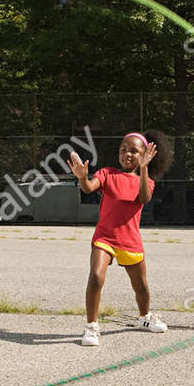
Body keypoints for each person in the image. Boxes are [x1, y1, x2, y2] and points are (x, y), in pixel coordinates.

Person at [68, 130, 172, 346]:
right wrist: (82, 177)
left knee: (141, 287)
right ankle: (91, 327)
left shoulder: (147, 181)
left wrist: (143, 169)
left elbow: (144, 198)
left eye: (133, 151)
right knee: (96, 276)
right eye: (123, 149)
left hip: (129, 240)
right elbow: (89, 188)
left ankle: (144, 318)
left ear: (145, 155)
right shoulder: (107, 173)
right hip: (104, 237)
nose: (127, 154)